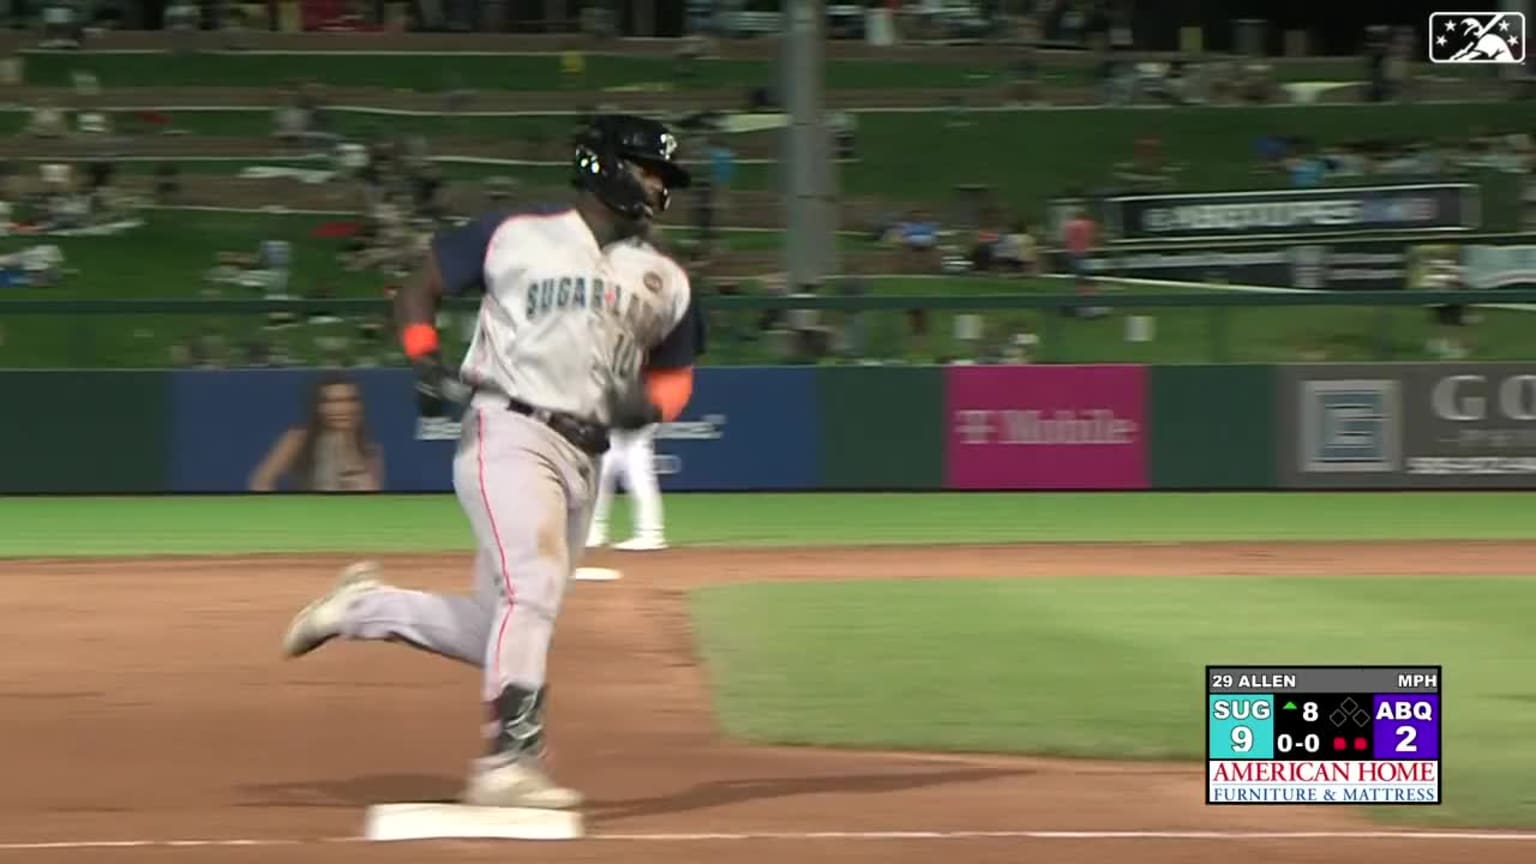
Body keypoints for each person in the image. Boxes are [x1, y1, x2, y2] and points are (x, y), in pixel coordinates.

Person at [277, 114, 703, 810]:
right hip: (509, 430)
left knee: (496, 627)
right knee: (530, 590)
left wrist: (651, 406)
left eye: (663, 176)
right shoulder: (518, 233)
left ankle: (361, 608)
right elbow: (420, 286)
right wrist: (423, 358)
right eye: (648, 169)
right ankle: (510, 760)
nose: (659, 186)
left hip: (585, 459)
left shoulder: (665, 278)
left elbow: (676, 376)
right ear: (603, 165)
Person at [248, 373, 383, 492]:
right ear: (318, 408)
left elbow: (375, 496)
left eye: (349, 400)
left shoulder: (369, 450)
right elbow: (261, 481)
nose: (340, 408)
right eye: (330, 401)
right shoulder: (299, 439)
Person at [586, 423, 667, 551]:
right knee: (601, 476)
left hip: (636, 426)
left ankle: (650, 534)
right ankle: (594, 532)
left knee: (638, 479)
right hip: (612, 432)